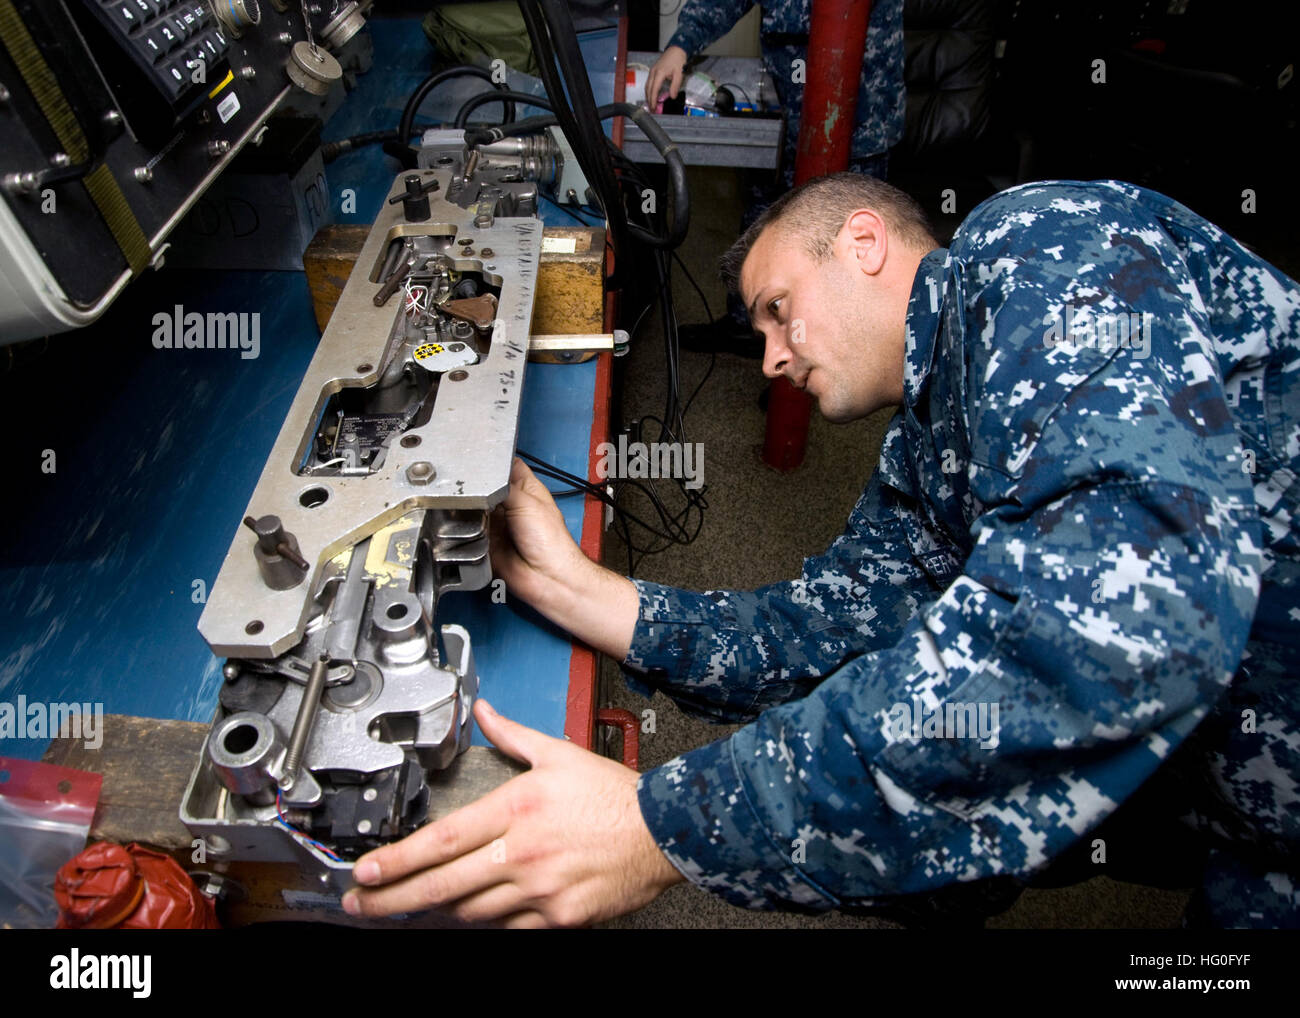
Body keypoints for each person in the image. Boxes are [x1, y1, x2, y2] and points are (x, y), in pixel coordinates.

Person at [341, 172, 1300, 928]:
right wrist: (580, 588)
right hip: (1254, 810)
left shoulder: (1040, 250)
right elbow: (812, 630)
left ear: (864, 242)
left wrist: (661, 823)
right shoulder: (929, 443)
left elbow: (1128, 619)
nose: (769, 358)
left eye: (776, 306)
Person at [647, 0, 906, 352]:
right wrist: (680, 46)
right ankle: (747, 326)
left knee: (834, 251)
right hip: (787, 113)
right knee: (762, 223)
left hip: (852, 122)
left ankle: (812, 365)